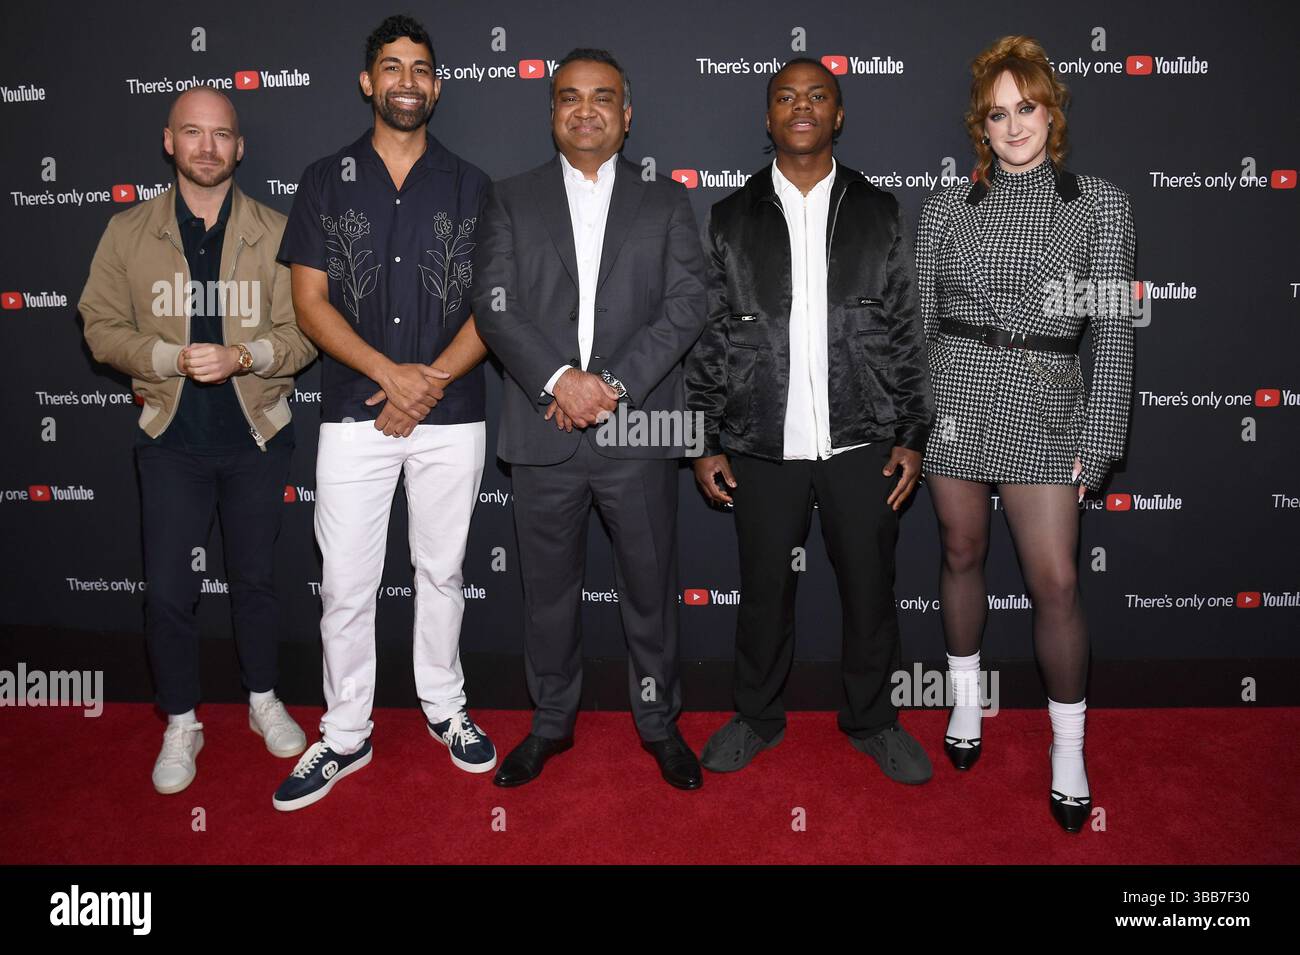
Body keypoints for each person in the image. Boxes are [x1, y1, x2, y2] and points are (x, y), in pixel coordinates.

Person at [685, 58, 934, 784]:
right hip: (762, 443)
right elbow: (709, 337)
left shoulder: (879, 211)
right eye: (786, 98)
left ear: (838, 114)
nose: (801, 107)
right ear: (767, 119)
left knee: (870, 588)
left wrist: (912, 435)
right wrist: (703, 439)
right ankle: (757, 715)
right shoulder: (730, 218)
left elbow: (905, 332)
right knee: (763, 589)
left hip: (863, 437)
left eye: (817, 96)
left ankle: (874, 719)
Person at [272, 14, 497, 811]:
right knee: (346, 583)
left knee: (442, 571)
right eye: (392, 67)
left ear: (437, 84)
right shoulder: (322, 179)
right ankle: (345, 731)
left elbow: (491, 304)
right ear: (369, 81)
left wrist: (425, 383)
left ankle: (444, 705)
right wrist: (387, 378)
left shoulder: (473, 184)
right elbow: (308, 302)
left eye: (422, 68)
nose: (408, 80)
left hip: (453, 408)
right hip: (351, 413)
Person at [914, 35, 1136, 832]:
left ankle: (1067, 745)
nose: (1014, 126)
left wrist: (1102, 432)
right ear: (981, 125)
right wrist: (915, 420)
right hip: (958, 398)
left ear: (1052, 110)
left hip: (1047, 402)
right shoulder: (945, 208)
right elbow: (917, 323)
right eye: (998, 114)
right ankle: (966, 700)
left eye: (1027, 107)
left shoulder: (1099, 204)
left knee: (1057, 582)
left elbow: (1113, 330)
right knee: (961, 552)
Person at [472, 48, 709, 790]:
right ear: (551, 114)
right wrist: (559, 382)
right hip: (543, 425)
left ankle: (659, 723)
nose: (585, 109)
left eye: (602, 97)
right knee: (546, 594)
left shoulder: (665, 200)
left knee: (649, 587)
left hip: (637, 429)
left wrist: (607, 386)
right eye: (569, 97)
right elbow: (494, 305)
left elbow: (687, 305)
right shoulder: (509, 198)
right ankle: (550, 724)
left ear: (626, 114)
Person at [80, 87, 317, 795]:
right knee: (171, 591)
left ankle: (263, 699)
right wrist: (166, 358)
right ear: (169, 141)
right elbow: (99, 326)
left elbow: (306, 333)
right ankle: (181, 718)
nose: (208, 146)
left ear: (240, 147)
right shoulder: (128, 231)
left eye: (221, 134)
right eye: (193, 132)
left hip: (256, 437)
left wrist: (243, 358)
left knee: (255, 581)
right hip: (170, 441)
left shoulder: (280, 231)